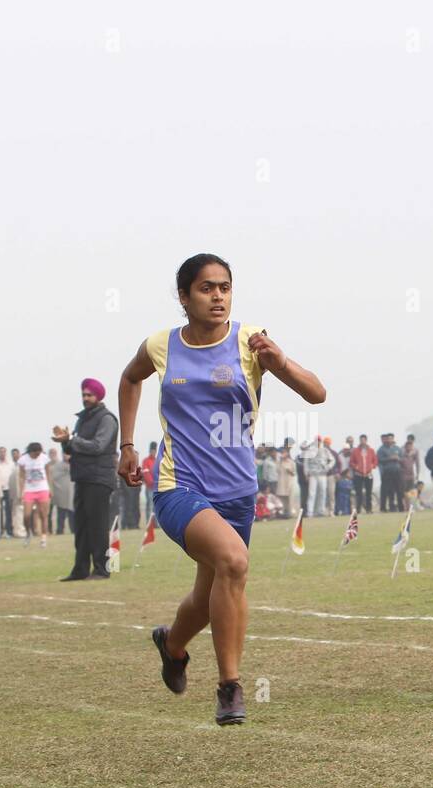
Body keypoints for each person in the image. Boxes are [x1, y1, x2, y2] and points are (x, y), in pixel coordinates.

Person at [117, 252, 326, 725]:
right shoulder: (160, 345)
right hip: (179, 485)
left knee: (210, 593)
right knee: (234, 561)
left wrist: (281, 362)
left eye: (225, 287)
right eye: (207, 288)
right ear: (184, 297)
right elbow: (130, 379)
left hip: (237, 491)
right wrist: (127, 445)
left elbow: (316, 393)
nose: (218, 296)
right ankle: (230, 688)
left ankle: (172, 646)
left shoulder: (250, 342)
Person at [54, 379, 119, 580]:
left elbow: (98, 446)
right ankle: (80, 569)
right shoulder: (82, 419)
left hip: (99, 478)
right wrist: (65, 442)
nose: (85, 398)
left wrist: (72, 440)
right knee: (81, 525)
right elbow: (74, 448)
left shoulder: (107, 419)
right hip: (82, 477)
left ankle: (101, 569)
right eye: (83, 395)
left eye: (89, 395)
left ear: (98, 396)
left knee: (97, 525)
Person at [17, 442, 52, 547]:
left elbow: (48, 473)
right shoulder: (23, 460)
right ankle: (28, 533)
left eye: (39, 453)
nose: (37, 455)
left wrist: (50, 488)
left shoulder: (44, 458)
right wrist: (21, 492)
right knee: (26, 515)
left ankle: (43, 537)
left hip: (42, 488)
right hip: (29, 490)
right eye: (36, 453)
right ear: (31, 452)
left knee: (43, 514)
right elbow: (21, 476)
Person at [48, 448, 74, 535]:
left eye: (68, 454)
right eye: (64, 454)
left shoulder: (75, 464)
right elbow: (53, 478)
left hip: (72, 494)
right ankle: (60, 530)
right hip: (60, 494)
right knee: (61, 514)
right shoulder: (57, 466)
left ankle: (73, 530)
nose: (66, 456)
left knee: (72, 514)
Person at [350, 434, 376, 513]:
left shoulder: (371, 450)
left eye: (364, 440)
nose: (362, 442)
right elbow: (351, 462)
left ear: (366, 440)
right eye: (361, 440)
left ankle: (369, 509)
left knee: (368, 493)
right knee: (359, 493)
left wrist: (372, 466)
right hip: (358, 475)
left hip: (368, 474)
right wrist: (356, 467)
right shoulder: (355, 451)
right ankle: (358, 509)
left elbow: (375, 461)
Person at [378, 433, 403, 511]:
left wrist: (398, 458)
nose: (389, 440)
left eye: (391, 439)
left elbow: (402, 458)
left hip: (397, 472)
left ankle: (401, 507)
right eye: (388, 439)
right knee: (389, 490)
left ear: (393, 439)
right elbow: (380, 460)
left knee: (399, 490)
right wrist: (390, 458)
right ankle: (391, 507)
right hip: (387, 472)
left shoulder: (397, 448)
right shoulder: (382, 449)